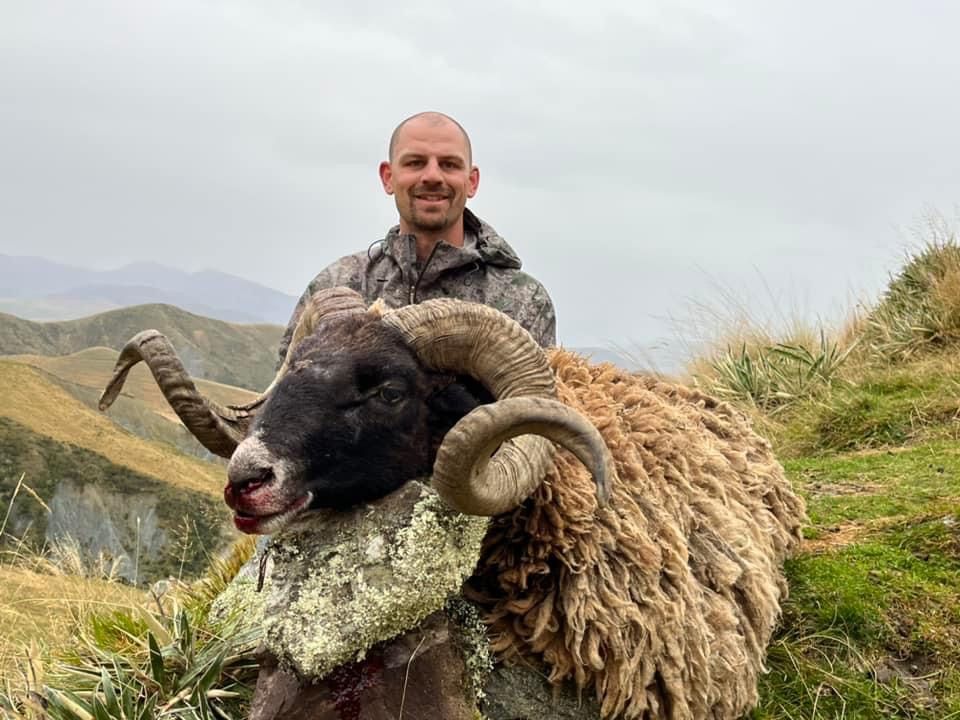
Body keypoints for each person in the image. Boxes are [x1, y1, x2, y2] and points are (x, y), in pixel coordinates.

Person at [277, 111, 557, 367]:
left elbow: (532, 414)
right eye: (415, 163)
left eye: (449, 164)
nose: (433, 176)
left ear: (471, 181)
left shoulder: (524, 301)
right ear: (388, 177)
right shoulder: (338, 282)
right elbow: (286, 399)